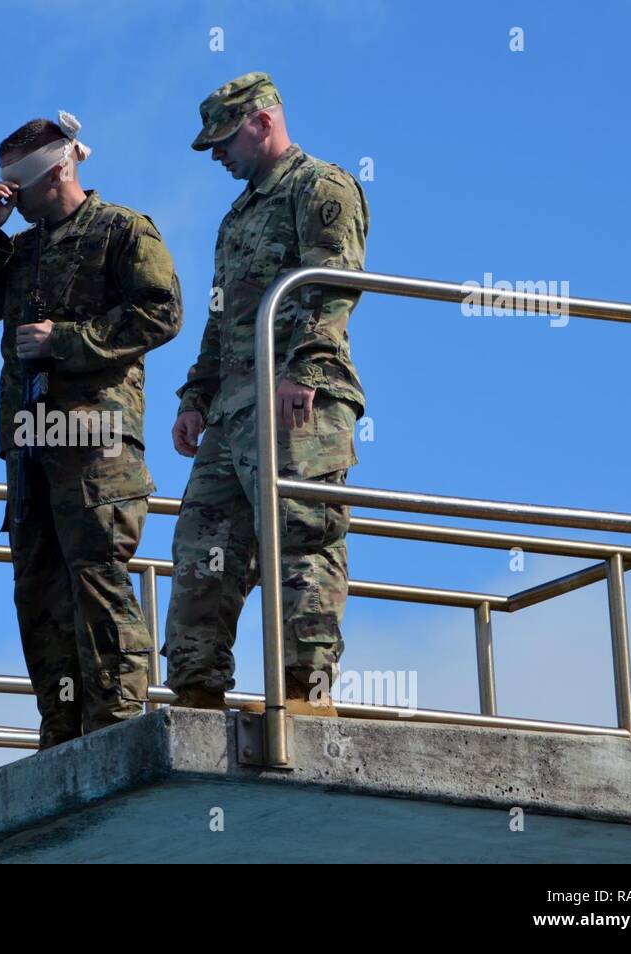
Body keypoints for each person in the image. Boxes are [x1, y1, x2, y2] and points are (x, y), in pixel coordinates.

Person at [0, 112, 182, 747]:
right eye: (7, 193)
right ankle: (61, 729)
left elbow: (161, 313)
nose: (16, 203)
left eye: (24, 190)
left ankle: (115, 724)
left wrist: (66, 341)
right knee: (38, 589)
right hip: (29, 442)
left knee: (97, 576)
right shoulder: (17, 249)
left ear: (61, 169)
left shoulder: (121, 230)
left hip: (96, 438)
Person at [164, 73, 369, 715]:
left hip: (299, 399)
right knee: (203, 544)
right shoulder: (236, 219)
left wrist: (305, 369)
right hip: (233, 409)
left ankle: (304, 696)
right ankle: (197, 692)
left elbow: (333, 283)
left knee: (302, 536)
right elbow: (219, 316)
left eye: (224, 139)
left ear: (262, 122)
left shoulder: (321, 186)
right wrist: (196, 395)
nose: (218, 155)